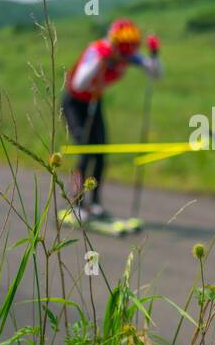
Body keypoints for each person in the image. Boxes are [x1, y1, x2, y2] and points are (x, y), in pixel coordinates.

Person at [62, 18, 161, 220]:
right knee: (86, 151)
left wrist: (155, 55)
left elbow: (155, 72)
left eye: (130, 53)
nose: (126, 59)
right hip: (76, 103)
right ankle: (76, 201)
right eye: (122, 53)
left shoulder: (128, 54)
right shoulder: (97, 50)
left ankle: (95, 202)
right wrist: (101, 61)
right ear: (114, 45)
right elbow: (79, 83)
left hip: (95, 103)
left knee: (101, 152)